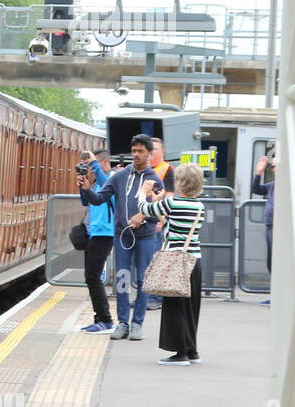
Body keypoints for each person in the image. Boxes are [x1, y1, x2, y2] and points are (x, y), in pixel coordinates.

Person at [79, 133, 163, 341]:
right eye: (133, 151)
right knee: (122, 278)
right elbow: (100, 199)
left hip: (145, 236)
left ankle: (137, 323)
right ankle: (123, 322)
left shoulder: (154, 179)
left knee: (143, 279)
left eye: (140, 151)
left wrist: (143, 215)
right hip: (122, 235)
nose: (135, 155)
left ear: (149, 154)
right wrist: (87, 190)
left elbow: (160, 209)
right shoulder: (120, 176)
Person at [133, 163, 206, 366]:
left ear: (181, 183)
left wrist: (143, 192)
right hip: (194, 261)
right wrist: (159, 202)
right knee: (191, 308)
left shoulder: (173, 202)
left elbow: (143, 209)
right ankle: (192, 351)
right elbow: (169, 221)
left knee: (175, 306)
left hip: (176, 261)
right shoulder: (199, 205)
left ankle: (180, 353)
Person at [79, 148, 116, 334]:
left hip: (105, 233)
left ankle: (106, 320)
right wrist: (82, 185)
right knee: (91, 277)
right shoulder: (95, 183)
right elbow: (86, 202)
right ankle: (99, 318)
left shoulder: (113, 179)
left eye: (94, 165)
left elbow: (106, 183)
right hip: (94, 233)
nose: (92, 170)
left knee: (93, 277)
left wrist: (93, 164)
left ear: (104, 162)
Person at [146, 137, 176, 311]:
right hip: (146, 219)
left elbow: (169, 196)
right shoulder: (145, 169)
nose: (151, 152)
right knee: (146, 261)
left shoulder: (166, 169)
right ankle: (147, 295)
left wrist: (161, 219)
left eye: (154, 149)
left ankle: (156, 297)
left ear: (162, 152)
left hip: (157, 221)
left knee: (156, 260)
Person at [251, 153, 277, 304]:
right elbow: (256, 189)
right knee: (271, 261)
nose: (273, 169)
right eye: (272, 166)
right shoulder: (273, 185)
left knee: (275, 261)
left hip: (277, 227)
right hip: (270, 225)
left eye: (275, 166)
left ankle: (277, 296)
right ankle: (274, 294)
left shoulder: (287, 184)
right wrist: (258, 173)